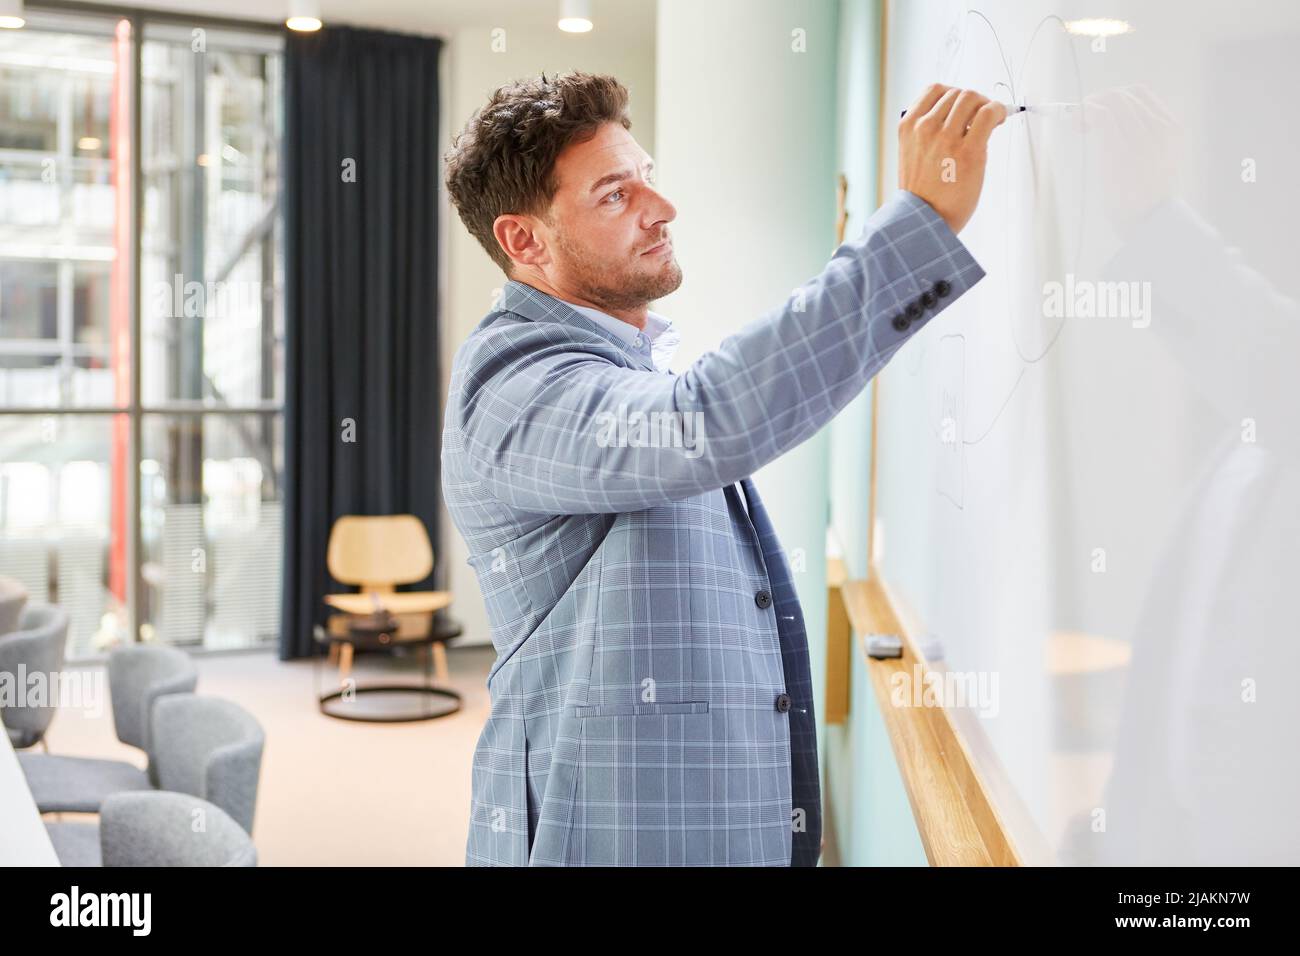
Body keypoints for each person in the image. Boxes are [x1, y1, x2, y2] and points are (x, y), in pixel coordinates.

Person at [442, 71, 1006, 866]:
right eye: (615, 195)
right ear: (524, 241)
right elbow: (704, 422)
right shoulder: (512, 386)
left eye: (648, 178)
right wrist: (919, 226)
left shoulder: (616, 363)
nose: (661, 208)